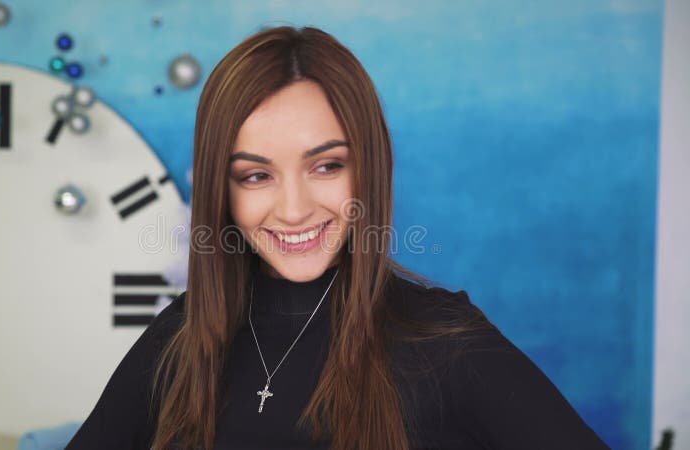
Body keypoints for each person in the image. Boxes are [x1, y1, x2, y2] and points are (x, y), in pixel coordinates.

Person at [65, 26, 610, 450]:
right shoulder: (177, 340)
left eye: (326, 166)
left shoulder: (445, 341)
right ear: (222, 193)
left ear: (367, 168)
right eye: (256, 175)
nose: (296, 209)